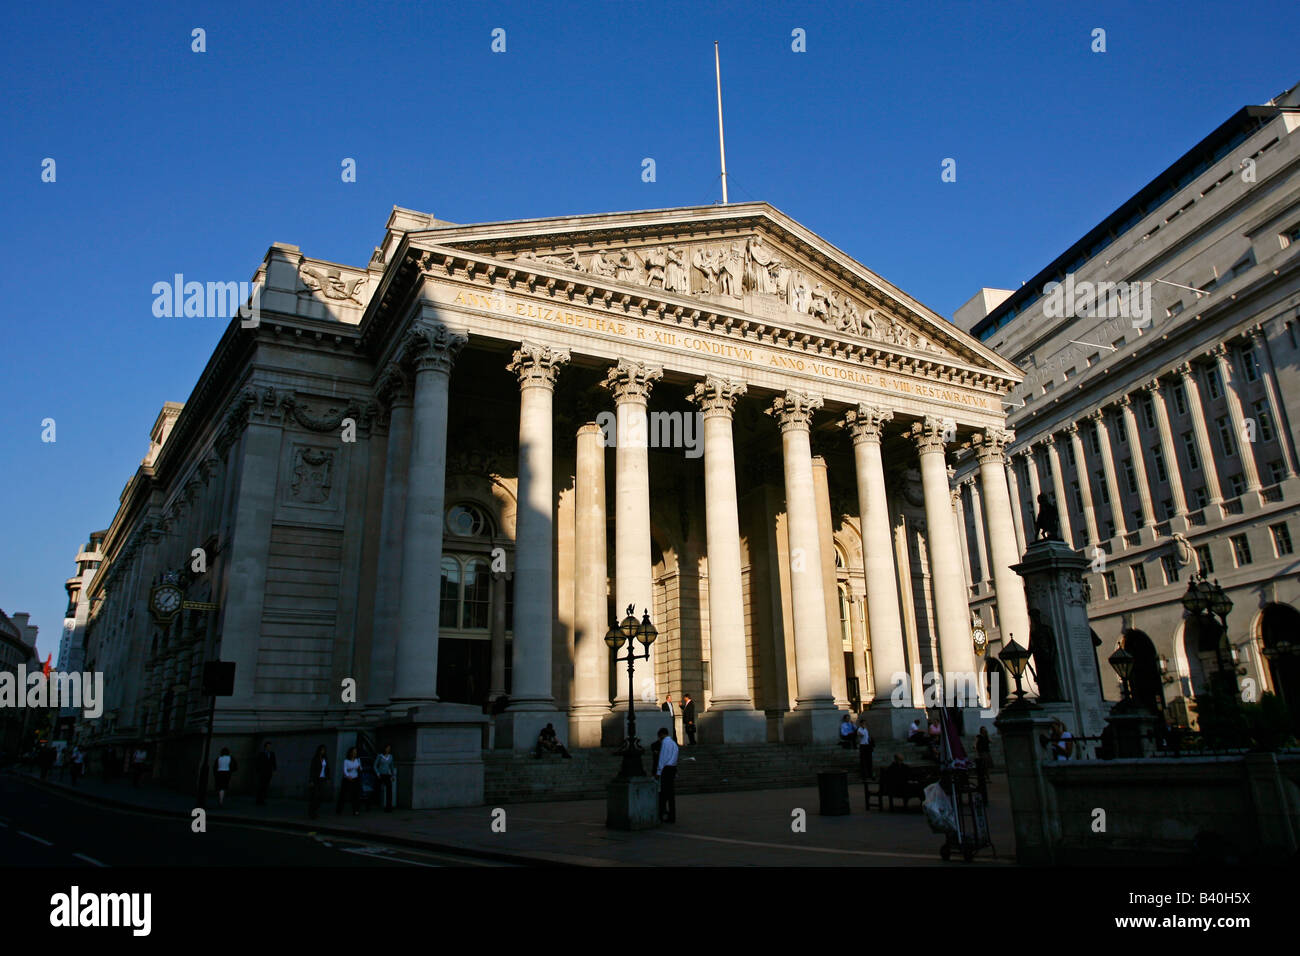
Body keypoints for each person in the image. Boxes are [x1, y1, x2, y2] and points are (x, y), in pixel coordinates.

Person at [655, 727, 679, 823]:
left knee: (663, 794)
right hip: (672, 768)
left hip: (666, 769)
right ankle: (672, 816)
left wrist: (658, 772)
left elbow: (662, 758)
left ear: (661, 735)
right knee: (671, 795)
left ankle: (661, 814)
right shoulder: (673, 743)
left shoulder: (665, 743)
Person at [337, 746, 362, 815]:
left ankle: (356, 810)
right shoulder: (346, 761)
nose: (354, 754)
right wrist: (348, 775)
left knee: (355, 795)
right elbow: (345, 770)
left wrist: (359, 768)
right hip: (347, 779)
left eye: (355, 752)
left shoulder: (358, 760)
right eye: (353, 752)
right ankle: (339, 809)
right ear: (350, 753)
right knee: (343, 795)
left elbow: (360, 768)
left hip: (355, 778)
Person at [374, 743, 397, 812]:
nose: (388, 749)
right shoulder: (380, 756)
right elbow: (375, 765)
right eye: (387, 748)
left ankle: (388, 807)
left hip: (387, 774)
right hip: (381, 774)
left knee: (389, 790)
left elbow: (391, 766)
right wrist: (377, 773)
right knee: (377, 789)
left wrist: (393, 775)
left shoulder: (390, 757)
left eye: (389, 748)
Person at [308, 745, 329, 819]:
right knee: (315, 795)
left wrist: (328, 778)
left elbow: (327, 769)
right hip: (316, 779)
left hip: (322, 779)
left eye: (324, 750)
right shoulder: (315, 759)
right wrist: (311, 780)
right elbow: (312, 770)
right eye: (321, 750)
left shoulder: (325, 759)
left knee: (321, 795)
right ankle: (312, 812)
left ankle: (315, 810)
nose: (322, 751)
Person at [254, 741, 277, 806]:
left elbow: (273, 761)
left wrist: (274, 768)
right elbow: (258, 762)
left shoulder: (272, 754)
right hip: (262, 771)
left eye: (270, 746)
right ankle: (259, 799)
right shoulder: (261, 754)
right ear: (265, 747)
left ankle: (262, 799)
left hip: (269, 771)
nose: (269, 747)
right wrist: (258, 770)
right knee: (261, 785)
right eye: (268, 746)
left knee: (266, 786)